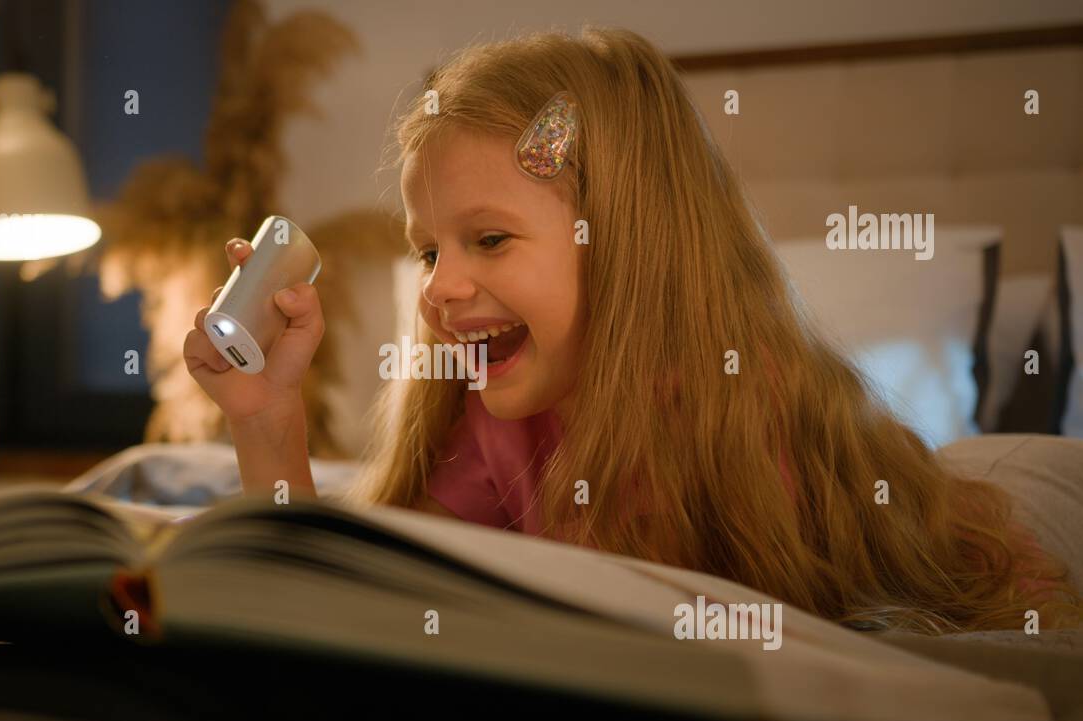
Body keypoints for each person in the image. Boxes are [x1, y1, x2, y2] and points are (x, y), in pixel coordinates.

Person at [184, 27, 1081, 633]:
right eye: (428, 253)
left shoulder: (736, 415)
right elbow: (364, 605)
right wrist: (269, 419)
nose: (441, 287)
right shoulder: (496, 421)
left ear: (625, 240)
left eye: (489, 239)